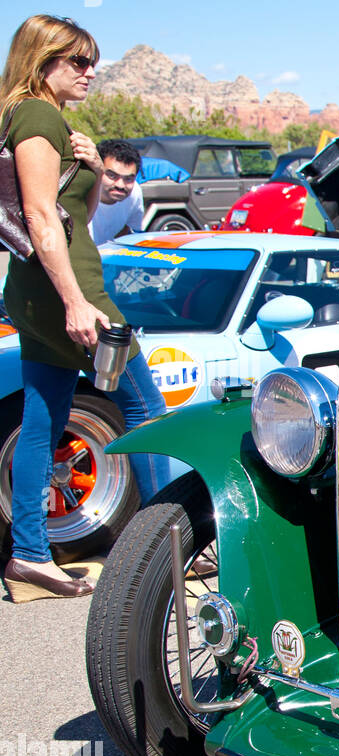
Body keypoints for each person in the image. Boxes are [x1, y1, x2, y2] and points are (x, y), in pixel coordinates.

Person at [1, 14, 167, 600]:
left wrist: (95, 171)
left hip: (35, 295)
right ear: (41, 60)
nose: (90, 71)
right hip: (73, 295)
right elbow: (43, 219)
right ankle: (173, 545)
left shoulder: (34, 117)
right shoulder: (37, 115)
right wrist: (75, 301)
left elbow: (79, 217)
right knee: (147, 408)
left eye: (91, 60)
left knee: (43, 424)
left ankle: (28, 556)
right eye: (78, 61)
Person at [89, 138, 142, 244]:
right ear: (98, 171)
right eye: (112, 176)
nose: (120, 185)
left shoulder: (135, 194)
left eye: (128, 178)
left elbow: (127, 230)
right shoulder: (82, 193)